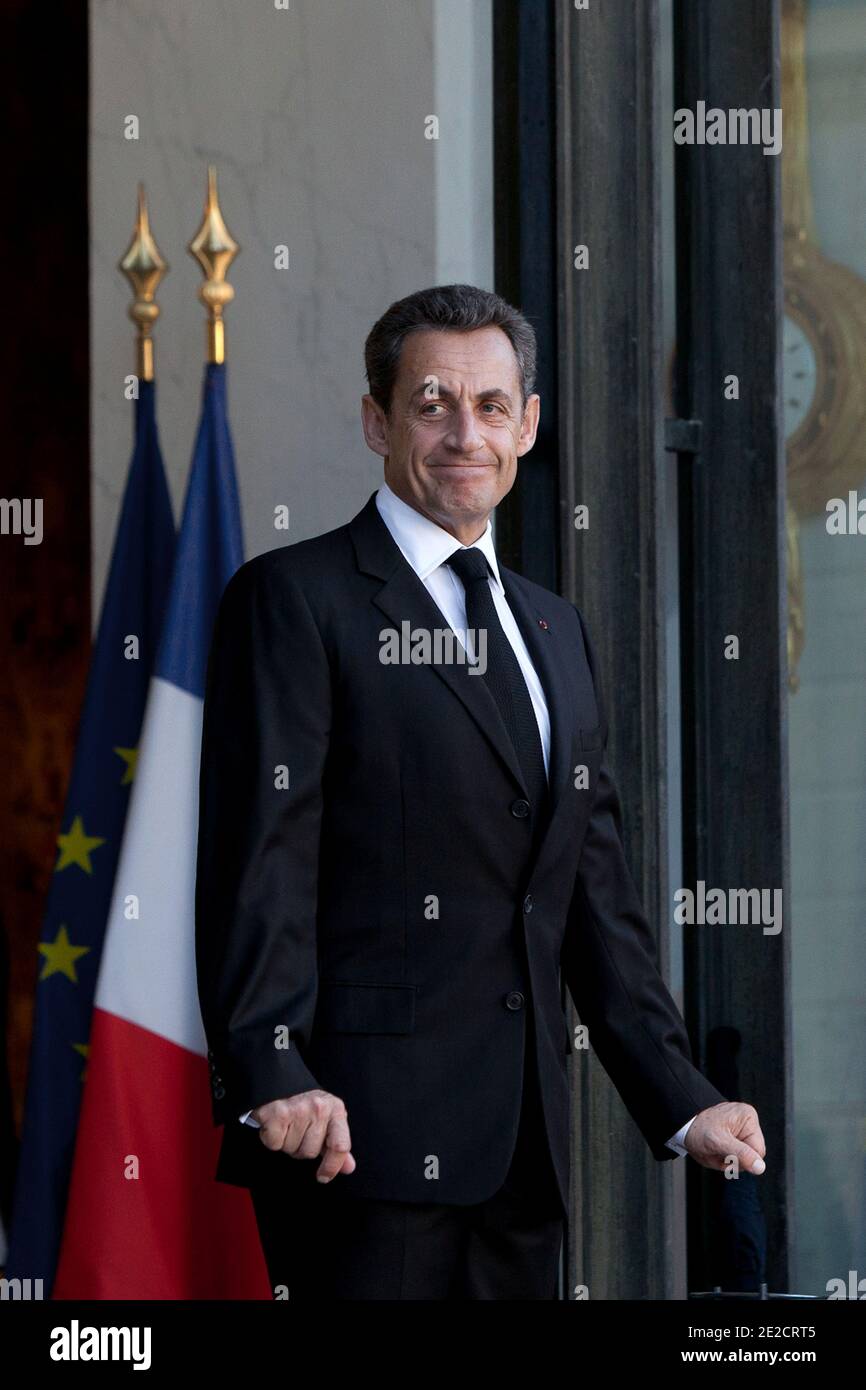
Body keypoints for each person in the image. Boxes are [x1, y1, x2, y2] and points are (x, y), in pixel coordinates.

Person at [194, 283, 766, 1301]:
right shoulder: (294, 600)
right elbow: (259, 860)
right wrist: (271, 1065)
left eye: (491, 406)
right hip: (353, 1144)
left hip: (521, 1152)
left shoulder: (553, 628)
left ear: (527, 425)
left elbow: (592, 890)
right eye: (431, 403)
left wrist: (681, 1099)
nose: (466, 433)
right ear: (376, 420)